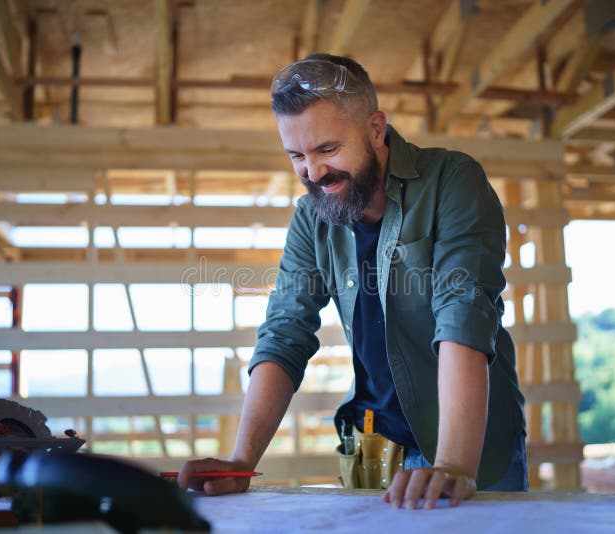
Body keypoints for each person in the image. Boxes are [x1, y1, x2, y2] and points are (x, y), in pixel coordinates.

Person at [179, 54, 527, 510]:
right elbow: (285, 333)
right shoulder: (309, 218)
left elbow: (463, 314)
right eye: (297, 156)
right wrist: (242, 462)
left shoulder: (453, 181)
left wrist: (454, 466)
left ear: (376, 129)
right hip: (372, 450)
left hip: (469, 452)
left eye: (327, 150)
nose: (314, 172)